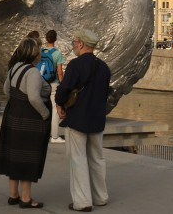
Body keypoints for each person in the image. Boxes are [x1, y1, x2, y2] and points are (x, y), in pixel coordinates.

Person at [56, 28, 112, 212]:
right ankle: (100, 196)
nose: (73, 46)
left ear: (80, 43)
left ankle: (82, 201)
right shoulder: (104, 67)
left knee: (77, 159)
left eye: (74, 43)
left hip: (78, 118)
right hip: (97, 119)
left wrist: (59, 103)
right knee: (97, 158)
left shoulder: (75, 65)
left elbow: (64, 89)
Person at [0, 37, 51, 209]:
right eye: (39, 50)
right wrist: (45, 113)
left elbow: (7, 90)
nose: (41, 53)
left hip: (13, 115)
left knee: (14, 155)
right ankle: (26, 198)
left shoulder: (14, 68)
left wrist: (17, 102)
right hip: (29, 119)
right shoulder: (33, 72)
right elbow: (34, 98)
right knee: (28, 156)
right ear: (33, 53)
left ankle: (13, 195)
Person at [42, 29, 66, 143]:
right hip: (53, 84)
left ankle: (42, 134)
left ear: (46, 38)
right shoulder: (57, 53)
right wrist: (63, 85)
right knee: (55, 110)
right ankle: (55, 137)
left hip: (41, 84)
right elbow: (60, 72)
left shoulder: (40, 51)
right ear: (55, 39)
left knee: (42, 109)